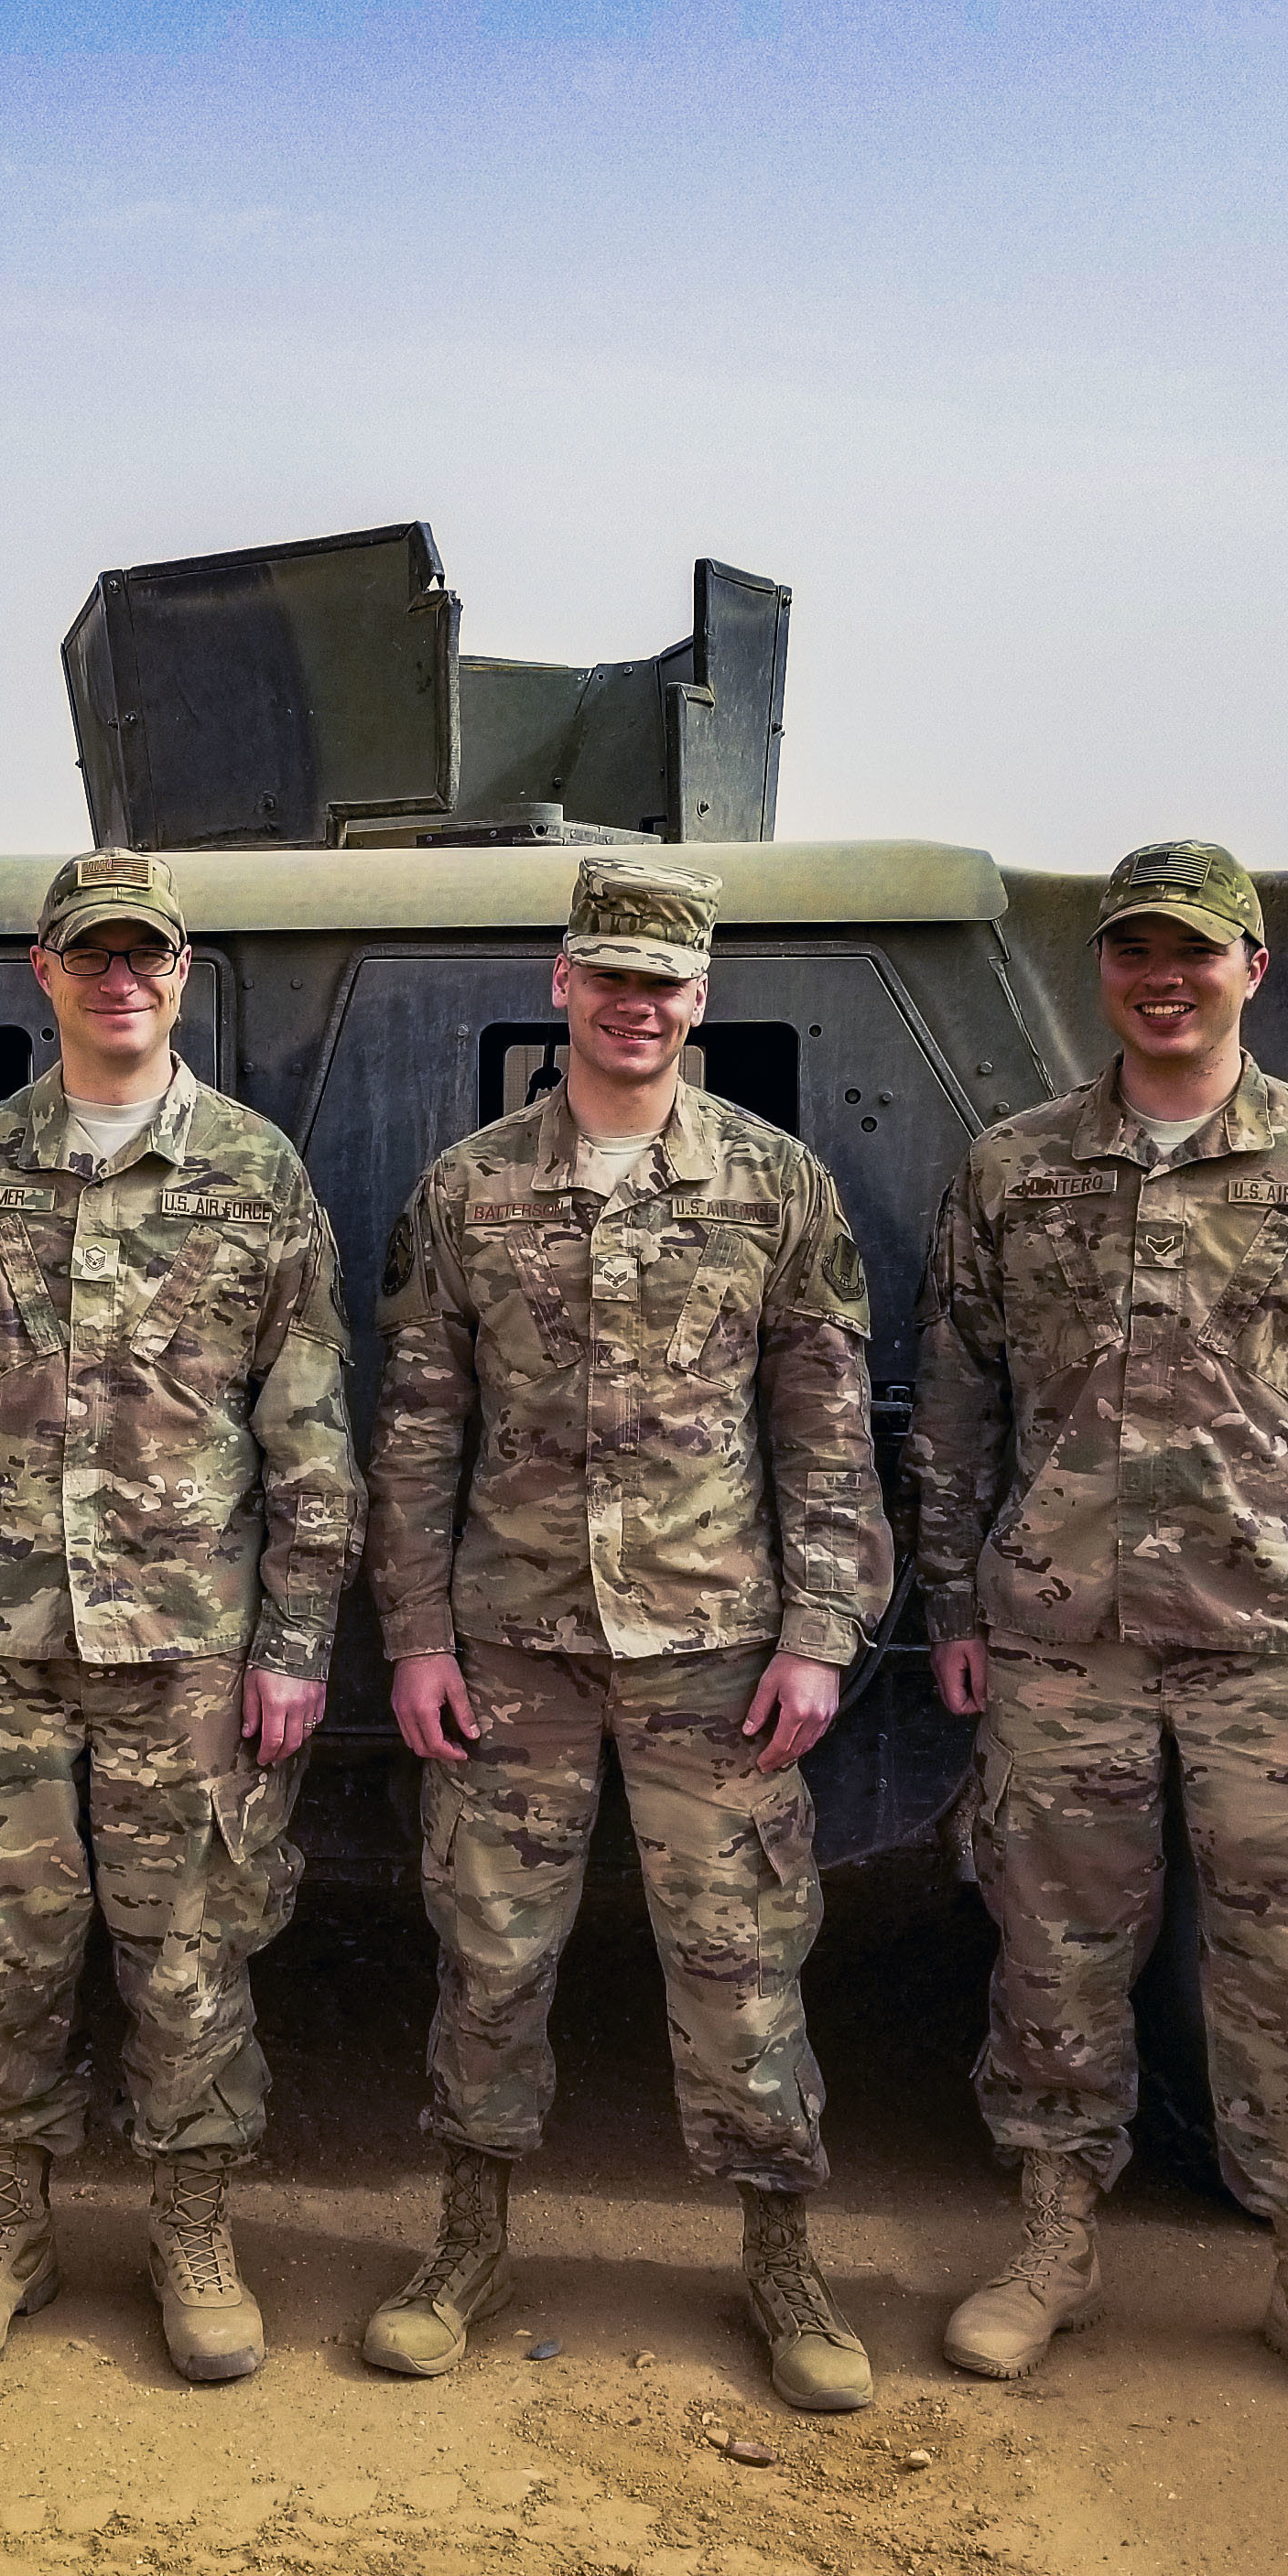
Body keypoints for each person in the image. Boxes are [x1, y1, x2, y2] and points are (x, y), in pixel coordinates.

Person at [906, 837, 1288, 2434]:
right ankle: (1054, 2243)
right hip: (1061, 1633)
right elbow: (956, 1398)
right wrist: (955, 1598)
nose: (1164, 978)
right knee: (1054, 1949)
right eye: (1136, 951)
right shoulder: (1015, 1169)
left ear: (1251, 969)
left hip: (1279, 1630)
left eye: (1195, 952)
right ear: (1104, 973)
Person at [361, 856, 896, 2413]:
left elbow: (825, 1425)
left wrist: (820, 1630)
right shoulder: (469, 1190)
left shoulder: (773, 1184)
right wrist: (412, 1634)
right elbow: (415, 1434)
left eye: (664, 982)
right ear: (563, 986)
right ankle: (467, 2240)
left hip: (715, 1646)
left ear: (701, 1000)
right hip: (510, 1640)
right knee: (489, 1950)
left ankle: (782, 2257)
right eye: (610, 975)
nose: (636, 1005)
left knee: (743, 1962)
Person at [0, 848, 362, 2386]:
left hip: (191, 1653)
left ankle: (192, 2231)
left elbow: (313, 1428)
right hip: (3, 1649)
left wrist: (291, 1644)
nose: (121, 978)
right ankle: (7, 2223)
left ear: (182, 974)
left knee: (192, 1954)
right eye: (94, 955)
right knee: (5, 1955)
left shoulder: (256, 1175)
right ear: (49, 972)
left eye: (146, 955)